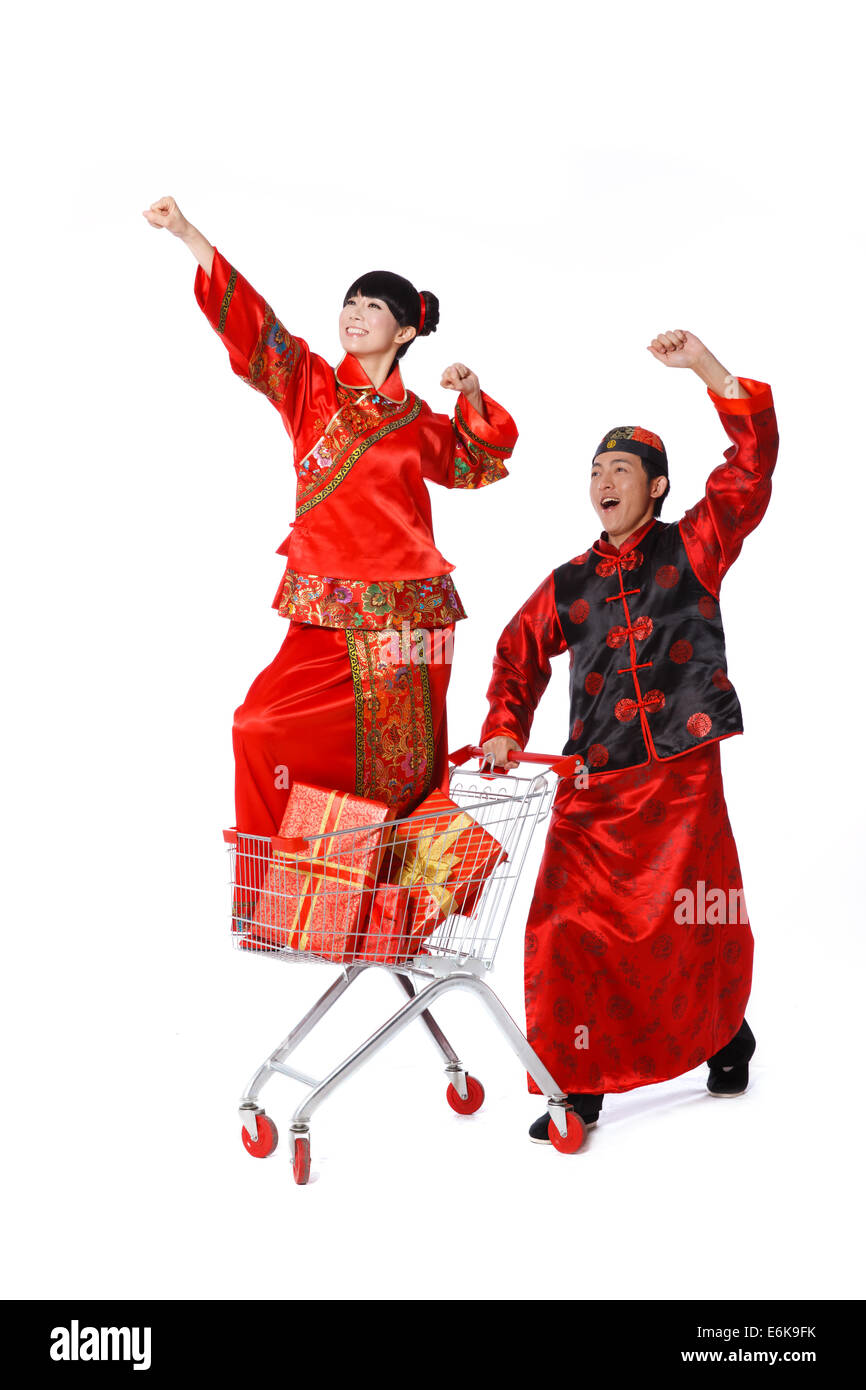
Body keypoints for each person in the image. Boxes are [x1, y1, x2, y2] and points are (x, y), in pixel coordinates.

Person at [144, 196, 517, 906]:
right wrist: (190, 235)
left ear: (405, 331)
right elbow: (260, 333)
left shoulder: (416, 420)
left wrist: (472, 394)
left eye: (373, 306)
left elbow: (477, 463)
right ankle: (283, 900)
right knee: (258, 728)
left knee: (403, 772)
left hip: (409, 617)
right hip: (325, 609)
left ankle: (394, 911)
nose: (355, 312)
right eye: (350, 301)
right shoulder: (311, 388)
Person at [480, 329, 778, 1140]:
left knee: (690, 922)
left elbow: (751, 469)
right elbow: (515, 652)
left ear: (657, 486)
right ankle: (576, 1081)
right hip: (596, 780)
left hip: (682, 779)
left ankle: (724, 1032)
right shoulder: (571, 582)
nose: (603, 482)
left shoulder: (695, 547)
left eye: (620, 471)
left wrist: (709, 371)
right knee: (565, 928)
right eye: (594, 471)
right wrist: (504, 729)